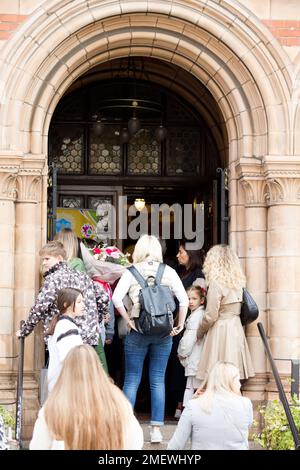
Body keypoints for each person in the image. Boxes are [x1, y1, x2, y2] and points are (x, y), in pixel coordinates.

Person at [112, 234, 189, 444]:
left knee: (132, 380)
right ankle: (156, 429)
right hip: (163, 332)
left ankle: (127, 428)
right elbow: (183, 300)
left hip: (138, 330)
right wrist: (179, 324)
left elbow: (116, 298)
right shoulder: (169, 271)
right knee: (157, 379)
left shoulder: (131, 272)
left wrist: (128, 320)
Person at [29, 345, 144, 450]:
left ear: (66, 371)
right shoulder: (118, 403)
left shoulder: (52, 408)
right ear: (98, 369)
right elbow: (135, 442)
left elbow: (38, 446)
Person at [16, 241, 110, 352]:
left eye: (47, 259)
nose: (44, 263)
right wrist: (94, 318)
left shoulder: (54, 278)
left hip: (64, 336)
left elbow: (40, 307)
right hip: (88, 338)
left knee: (64, 369)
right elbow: (104, 297)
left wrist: (25, 330)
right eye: (43, 260)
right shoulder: (82, 276)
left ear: (60, 258)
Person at [196, 244, 255, 383]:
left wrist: (199, 332)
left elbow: (211, 316)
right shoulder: (238, 283)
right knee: (233, 378)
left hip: (220, 331)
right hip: (235, 328)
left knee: (216, 377)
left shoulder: (216, 284)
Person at [167, 361, 253, 450]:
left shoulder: (194, 405)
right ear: (230, 382)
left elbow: (175, 446)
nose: (239, 384)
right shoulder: (246, 404)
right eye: (237, 380)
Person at [169, 241, 206, 419]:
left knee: (185, 367)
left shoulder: (198, 276)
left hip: (188, 326)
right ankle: (178, 403)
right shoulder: (182, 273)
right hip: (179, 324)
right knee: (178, 366)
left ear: (191, 254)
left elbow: (198, 299)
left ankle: (182, 406)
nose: (178, 255)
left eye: (181, 252)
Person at [46, 288, 84, 392]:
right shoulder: (67, 326)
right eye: (79, 302)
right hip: (65, 388)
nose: (83, 305)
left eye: (83, 301)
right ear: (66, 304)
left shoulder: (61, 324)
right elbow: (69, 360)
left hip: (60, 387)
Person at [177, 286, 206, 407]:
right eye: (188, 298)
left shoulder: (196, 316)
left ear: (202, 300)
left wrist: (182, 353)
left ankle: (190, 410)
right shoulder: (198, 314)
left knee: (193, 386)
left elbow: (189, 338)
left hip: (195, 356)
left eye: (194, 298)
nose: (190, 301)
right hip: (197, 355)